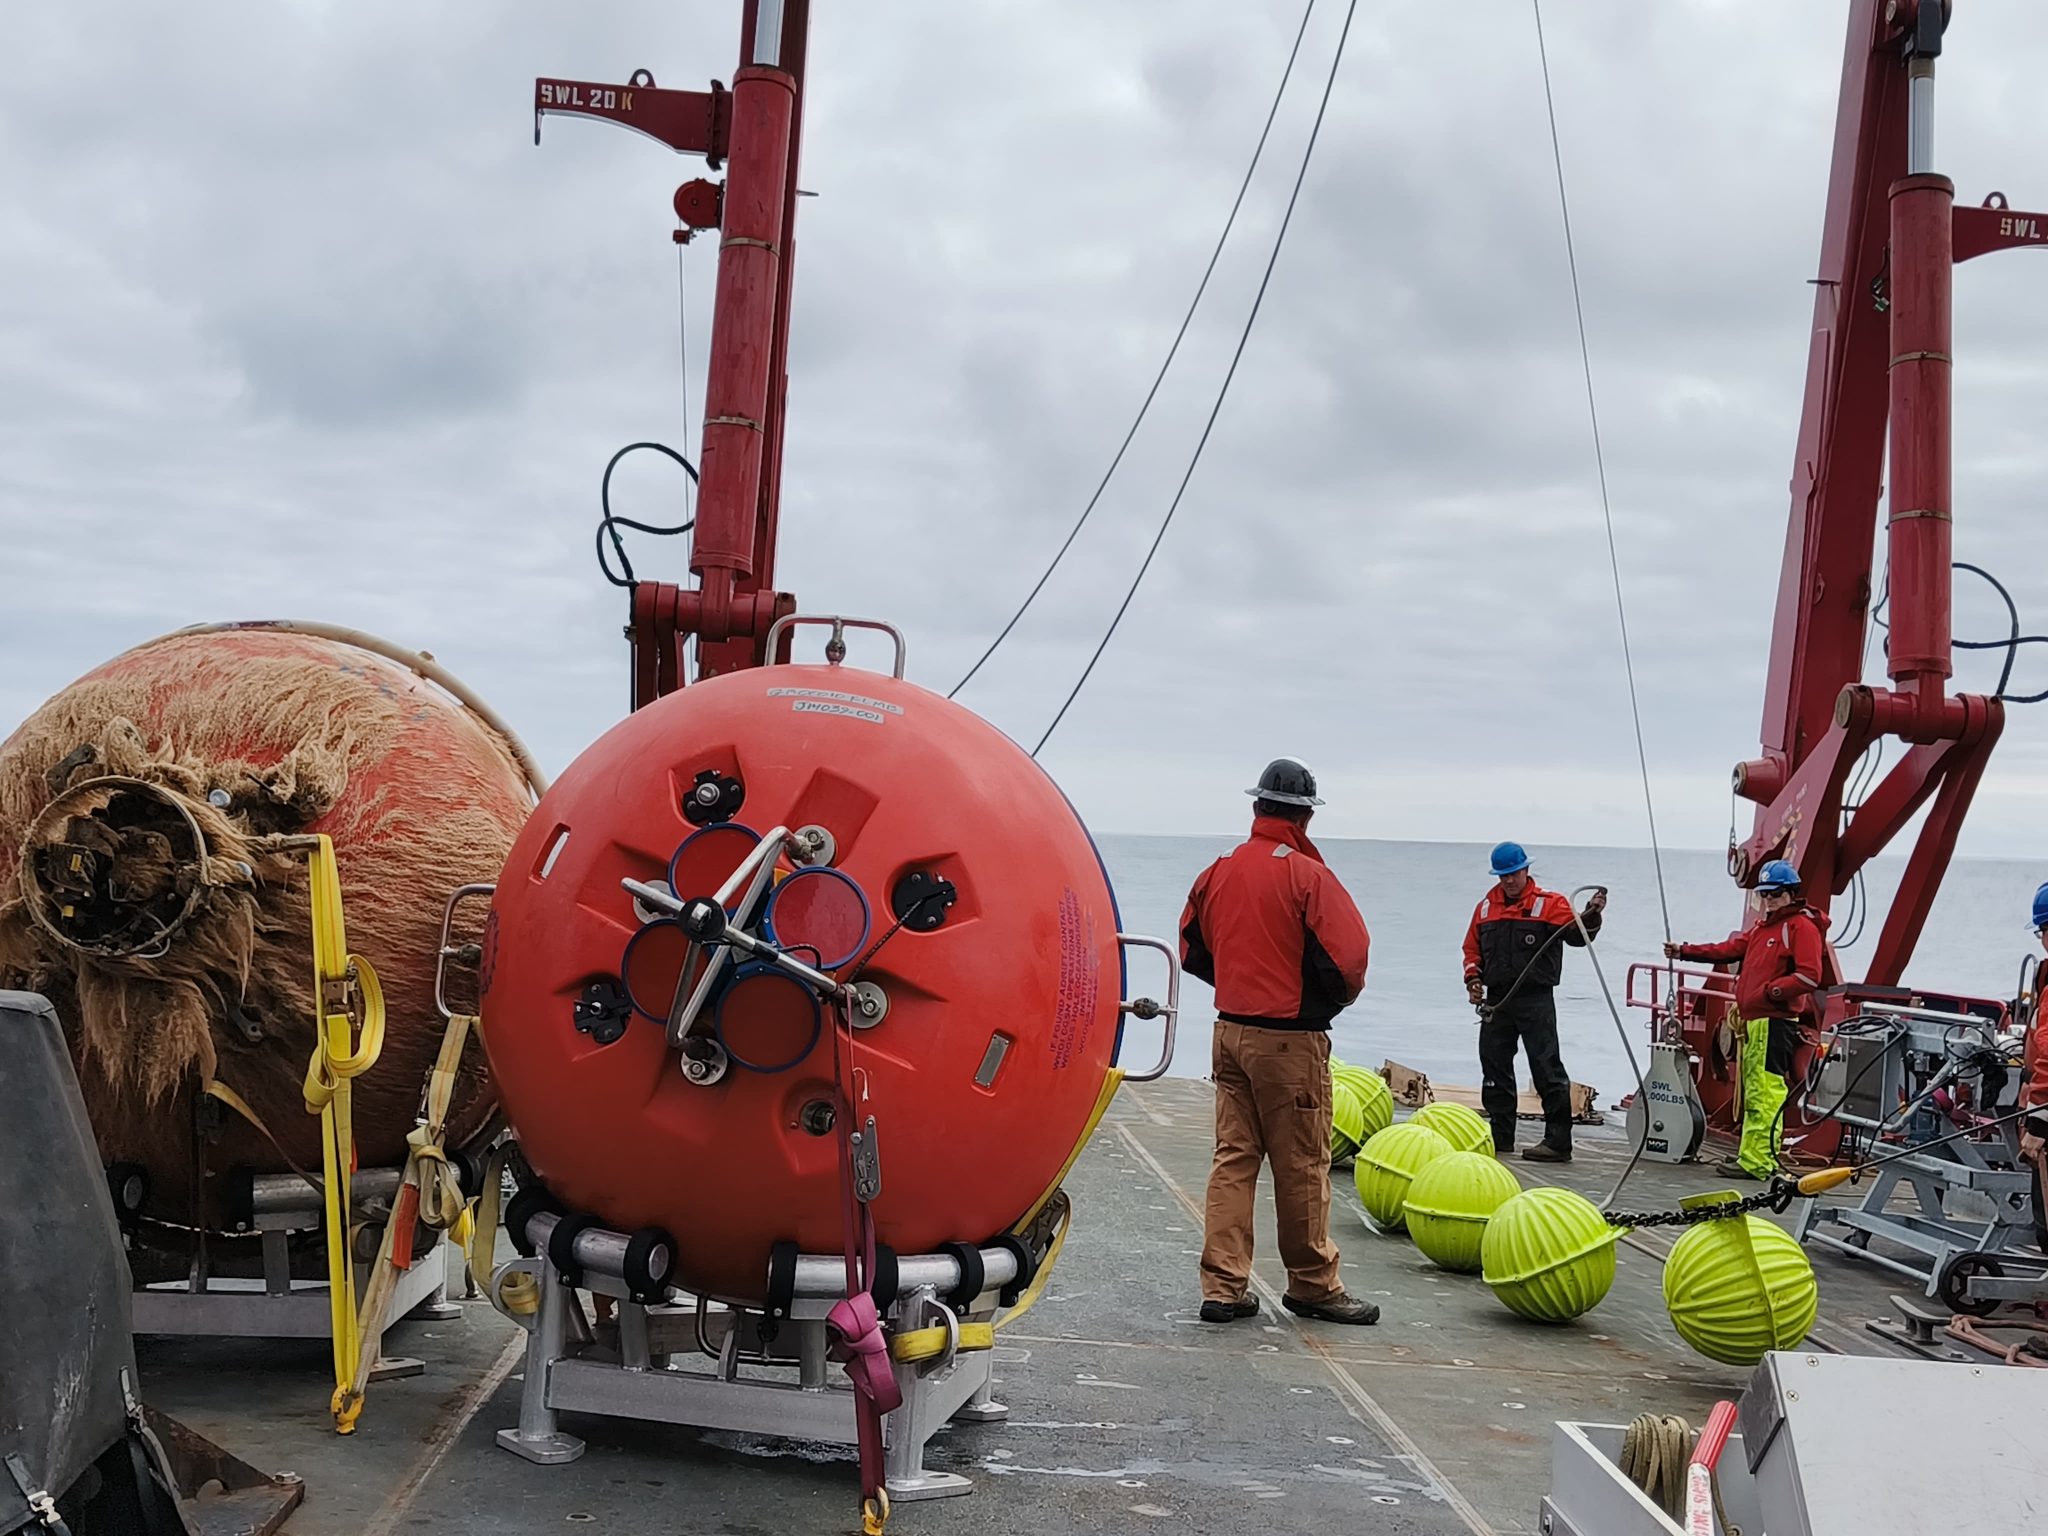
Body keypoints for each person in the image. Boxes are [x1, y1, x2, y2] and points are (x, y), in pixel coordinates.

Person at [1179, 757, 1378, 1327]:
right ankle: (1313, 1284)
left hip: (1229, 1032)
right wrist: (1318, 1004)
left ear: (1257, 806)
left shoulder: (1217, 870)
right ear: (1305, 817)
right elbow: (1349, 960)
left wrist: (1239, 985)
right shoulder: (1307, 876)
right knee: (1302, 1165)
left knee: (1233, 1160)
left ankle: (1223, 1287)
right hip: (1290, 1042)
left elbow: (1191, 949)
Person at [1664, 859, 1828, 1180]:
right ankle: (1752, 1155)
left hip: (1774, 1022)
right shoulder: (1763, 929)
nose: (1769, 900)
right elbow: (1726, 949)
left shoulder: (1800, 927)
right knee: (1756, 1091)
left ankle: (1758, 1162)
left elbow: (1810, 976)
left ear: (1791, 893)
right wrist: (1684, 951)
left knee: (1765, 1092)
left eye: (1775, 894)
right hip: (1758, 1021)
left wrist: (1771, 992)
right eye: (1764, 894)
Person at [1461, 842, 1605, 1163]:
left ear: (1526, 869)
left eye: (1513, 873)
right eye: (1503, 875)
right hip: (1497, 1001)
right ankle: (1500, 1138)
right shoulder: (1485, 909)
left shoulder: (1549, 905)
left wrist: (1593, 915)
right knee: (1494, 1068)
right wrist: (1473, 979)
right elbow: (1471, 949)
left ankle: (1558, 1142)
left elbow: (1578, 937)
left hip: (1535, 1000)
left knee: (1546, 1067)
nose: (1509, 880)